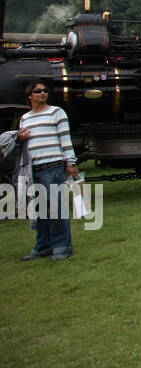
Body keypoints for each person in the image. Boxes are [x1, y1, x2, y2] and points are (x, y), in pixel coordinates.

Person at [16, 81, 79, 261]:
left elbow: (65, 139)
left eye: (45, 91)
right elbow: (24, 143)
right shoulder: (25, 118)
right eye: (38, 91)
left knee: (55, 208)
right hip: (33, 168)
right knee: (39, 209)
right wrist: (18, 138)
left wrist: (70, 162)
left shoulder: (56, 112)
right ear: (30, 96)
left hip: (53, 166)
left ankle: (62, 246)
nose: (43, 93)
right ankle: (43, 246)